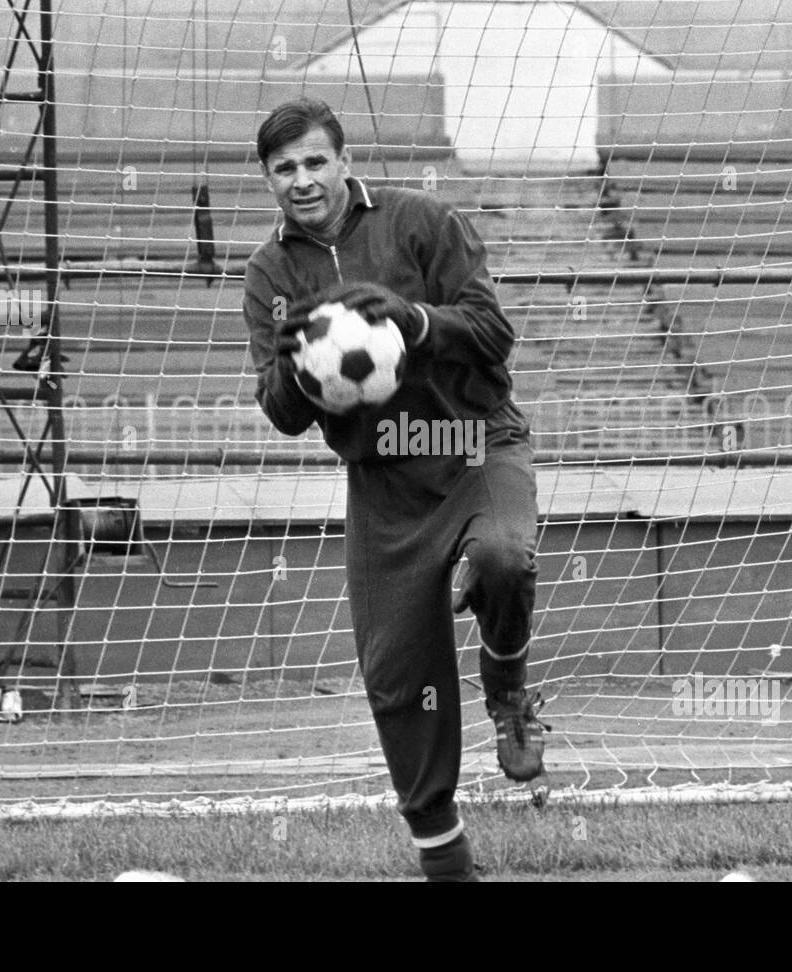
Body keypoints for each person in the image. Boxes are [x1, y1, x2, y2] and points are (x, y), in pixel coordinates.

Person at [242, 97, 547, 882]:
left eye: (315, 161)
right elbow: (281, 417)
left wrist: (411, 320)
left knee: (506, 557)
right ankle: (449, 867)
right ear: (268, 180)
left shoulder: (422, 220)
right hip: (383, 478)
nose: (303, 180)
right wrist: (292, 367)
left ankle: (507, 684)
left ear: (344, 161)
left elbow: (492, 333)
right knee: (396, 679)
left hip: (474, 443)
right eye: (285, 169)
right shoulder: (270, 274)